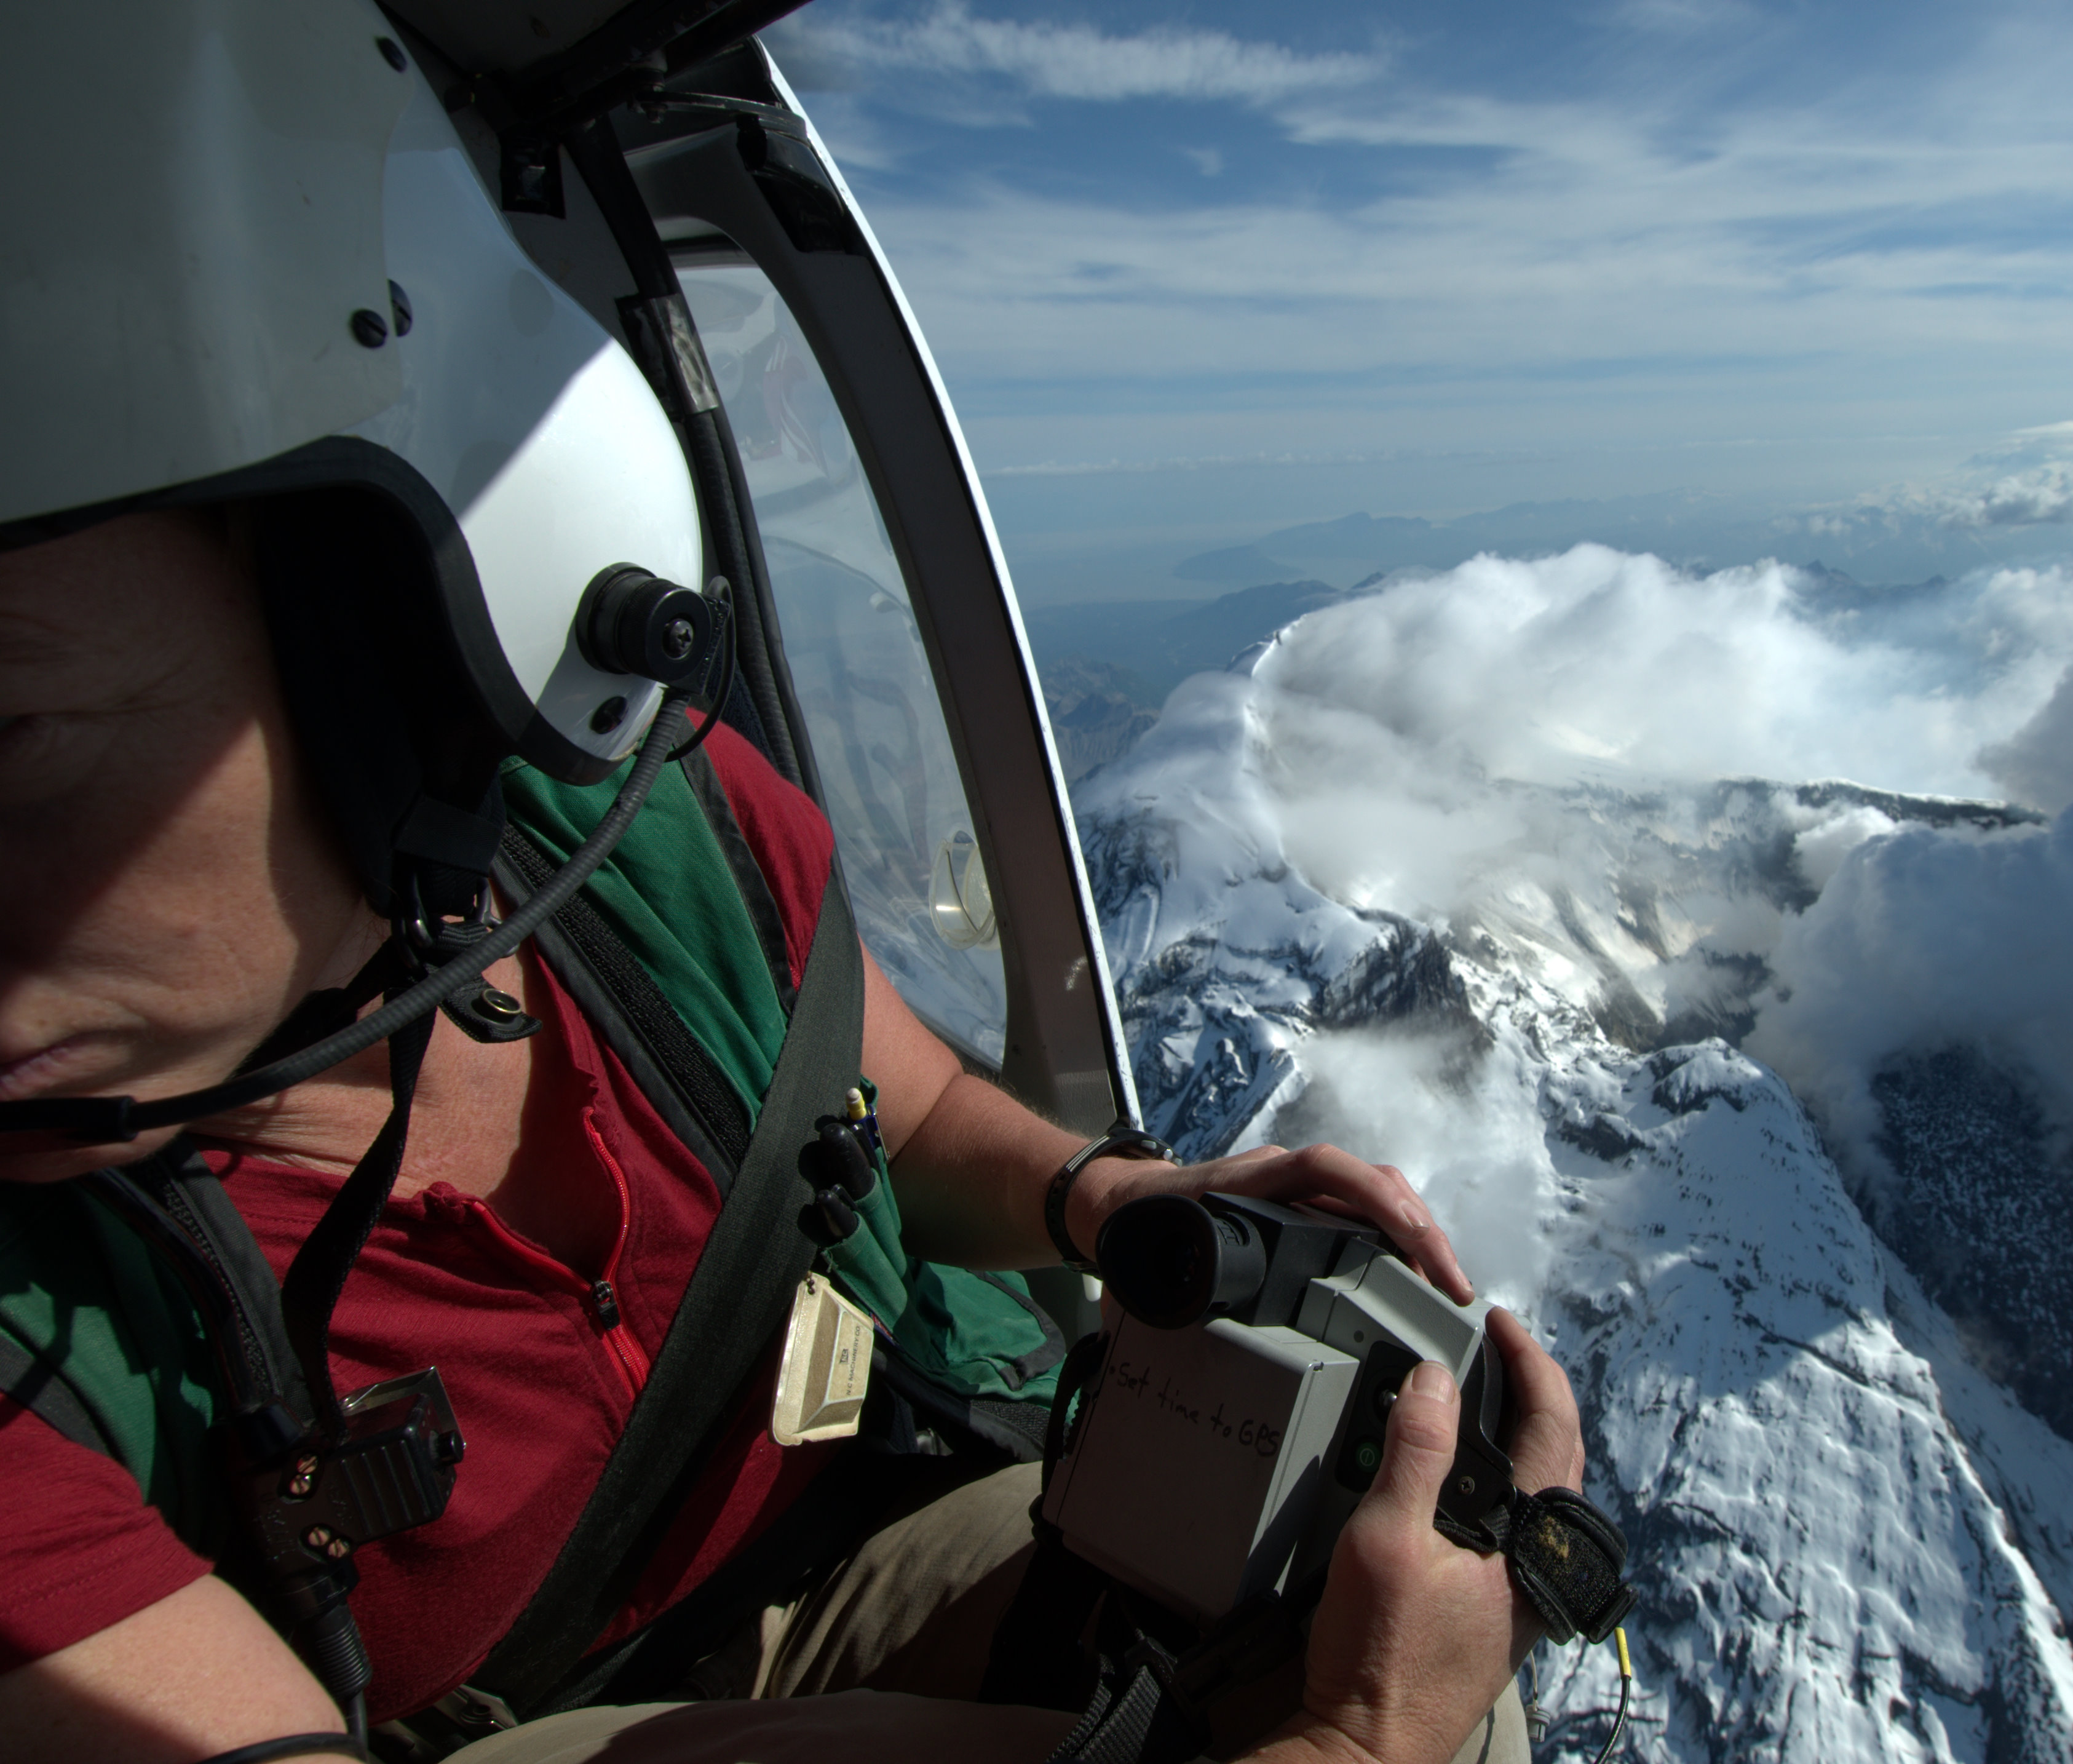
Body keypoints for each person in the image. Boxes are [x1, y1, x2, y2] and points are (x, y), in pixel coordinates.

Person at [0, 5, 1598, 1762]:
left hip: (850, 1551)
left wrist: (1113, 1196)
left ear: (378, 651)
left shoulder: (646, 834)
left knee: (1349, 1610)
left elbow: (887, 1109)